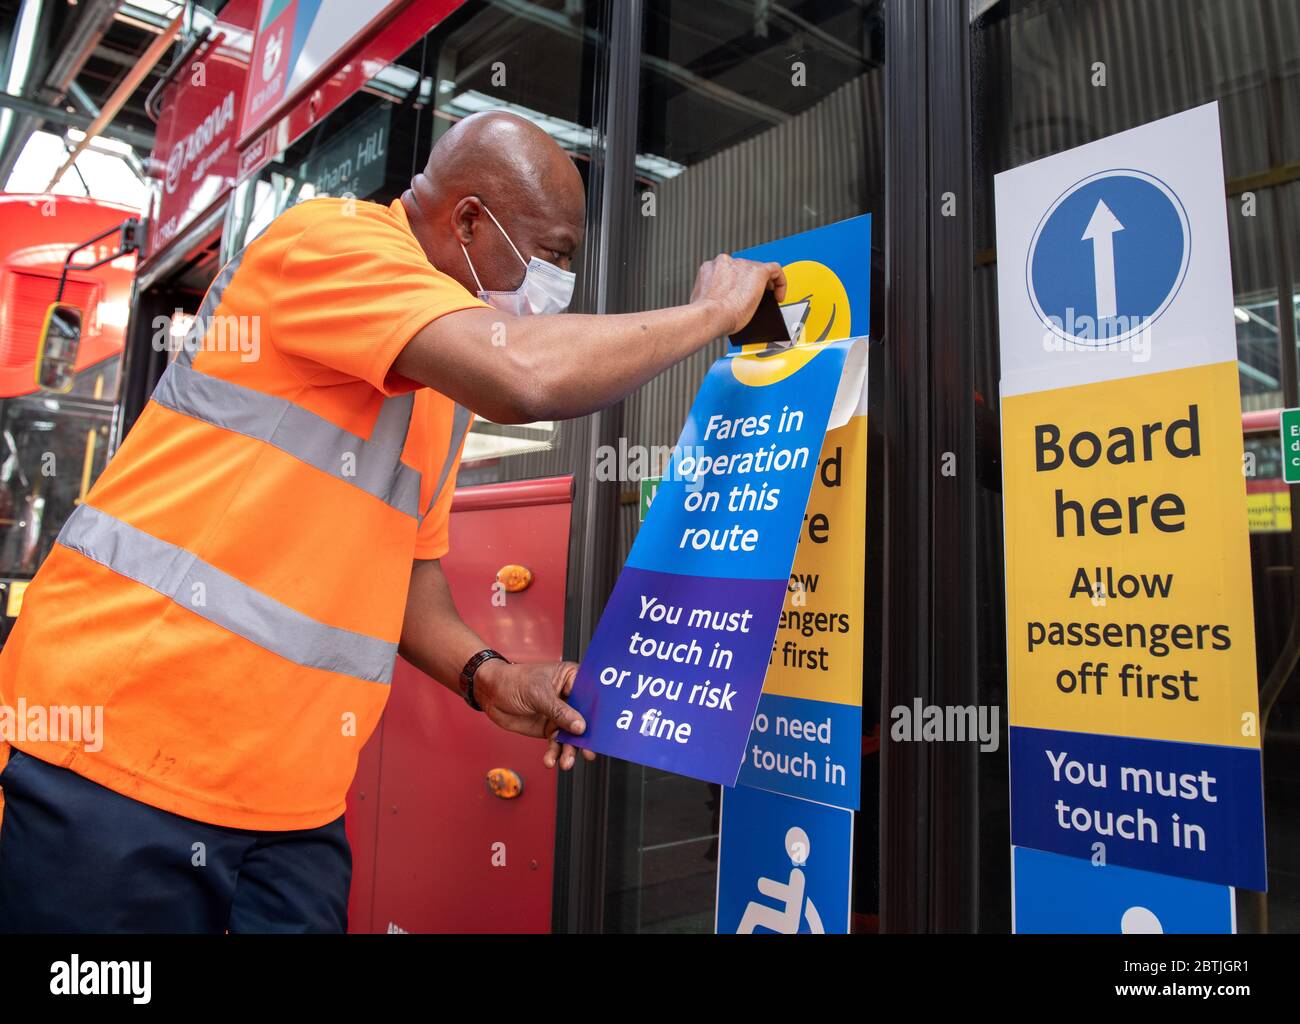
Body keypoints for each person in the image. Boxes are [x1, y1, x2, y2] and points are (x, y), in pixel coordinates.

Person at [0, 110, 785, 933]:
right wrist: (712, 315)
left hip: (290, 800)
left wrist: (489, 676)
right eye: (552, 254)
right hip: (117, 753)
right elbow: (524, 375)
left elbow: (407, 572)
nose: (558, 280)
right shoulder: (331, 243)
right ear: (469, 220)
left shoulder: (438, 375)